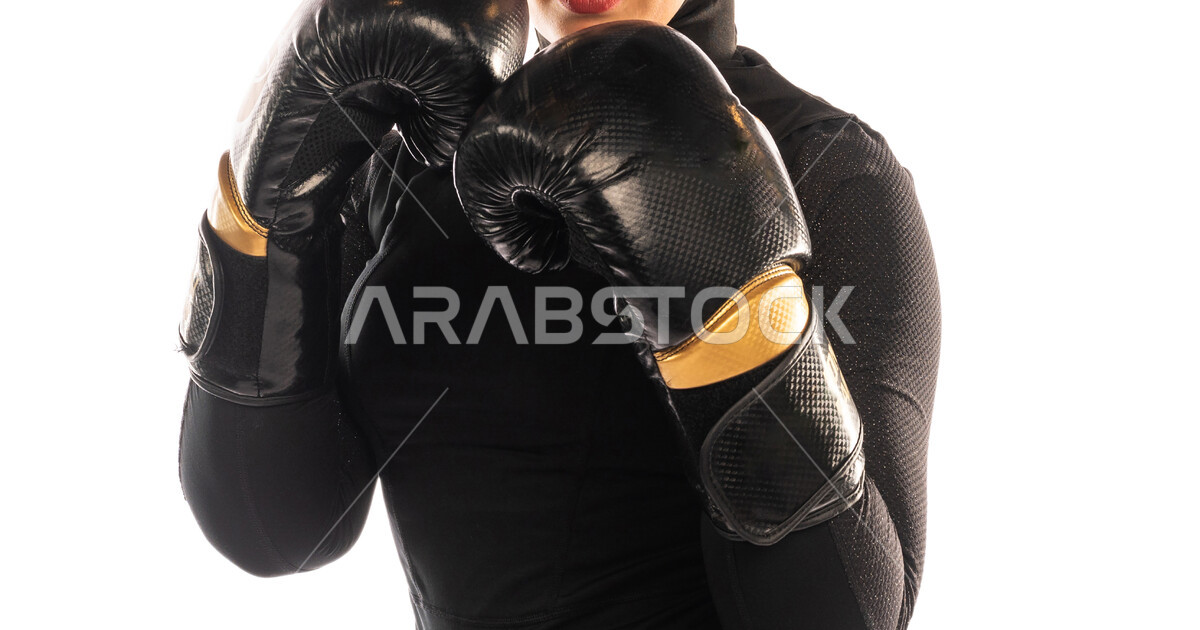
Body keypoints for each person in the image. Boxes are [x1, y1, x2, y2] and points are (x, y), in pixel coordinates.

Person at [177, 1, 940, 629]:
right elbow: (272, 526)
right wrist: (261, 210)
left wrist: (732, 309)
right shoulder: (406, 153)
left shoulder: (829, 168)